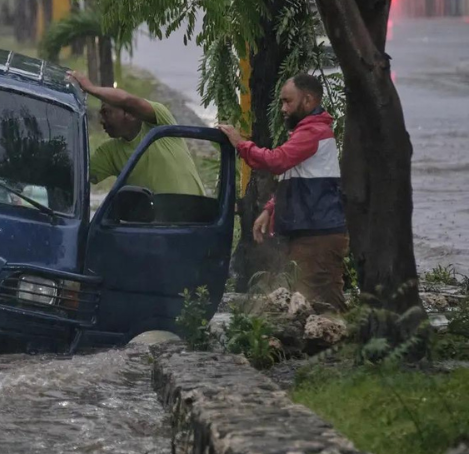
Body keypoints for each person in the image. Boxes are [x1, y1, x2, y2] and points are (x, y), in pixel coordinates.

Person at [218, 73, 347, 311]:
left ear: (308, 100)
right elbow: (295, 179)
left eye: (288, 101)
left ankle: (351, 334)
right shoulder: (306, 132)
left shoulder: (313, 132)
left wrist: (240, 144)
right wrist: (270, 209)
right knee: (310, 305)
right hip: (310, 233)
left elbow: (277, 161)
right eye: (282, 102)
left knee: (323, 307)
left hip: (317, 236)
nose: (283, 109)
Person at [68, 70, 206, 196]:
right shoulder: (110, 153)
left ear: (130, 113)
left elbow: (128, 101)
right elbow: (76, 175)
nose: (101, 121)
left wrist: (91, 88)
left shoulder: (160, 122)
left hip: (196, 213)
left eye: (106, 112)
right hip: (158, 216)